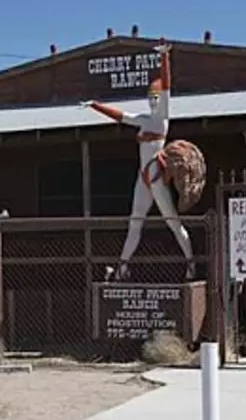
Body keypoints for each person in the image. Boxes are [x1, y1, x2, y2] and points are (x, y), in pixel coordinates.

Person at [81, 41, 195, 281]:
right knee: (135, 224)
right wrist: (95, 105)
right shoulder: (144, 120)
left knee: (172, 221)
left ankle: (191, 263)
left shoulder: (162, 118)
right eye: (150, 99)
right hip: (142, 178)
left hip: (155, 175)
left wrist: (165, 57)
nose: (154, 102)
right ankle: (123, 266)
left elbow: (167, 87)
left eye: (156, 98)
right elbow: (121, 116)